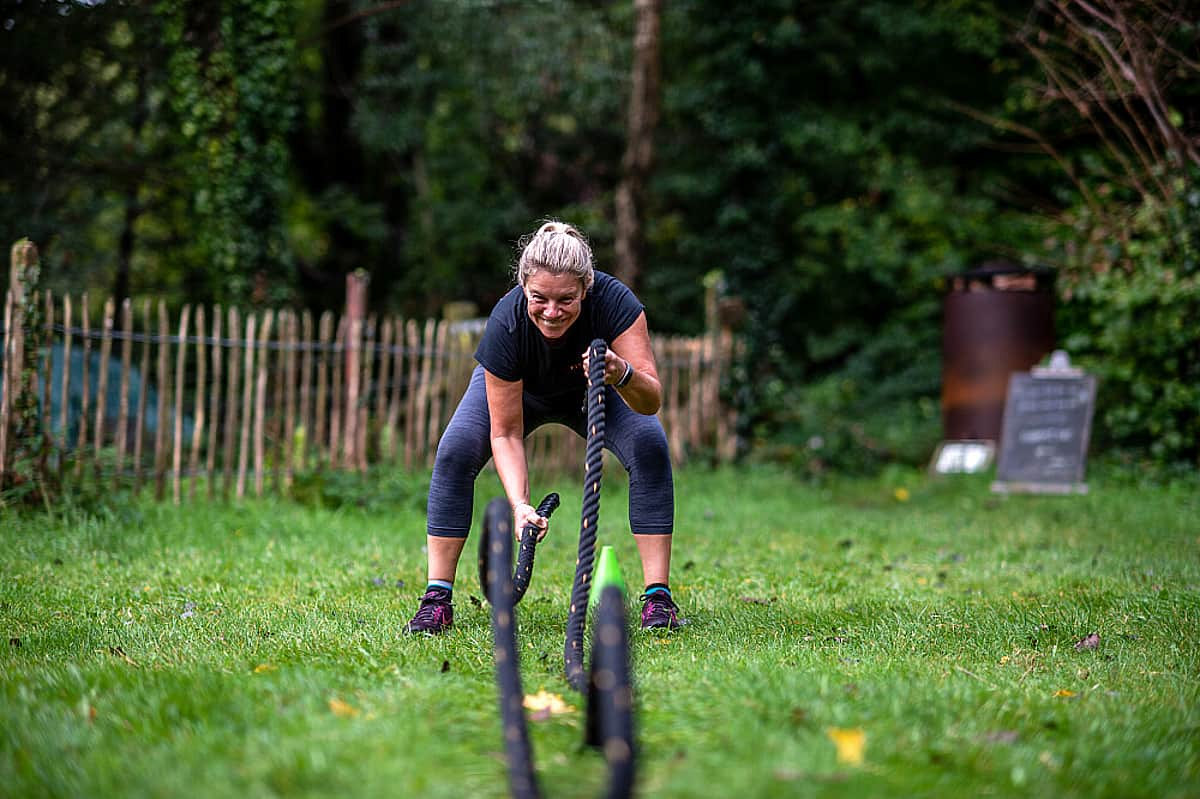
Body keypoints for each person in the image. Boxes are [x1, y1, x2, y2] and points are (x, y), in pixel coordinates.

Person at [404, 220, 684, 634]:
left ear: (586, 288)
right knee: (455, 451)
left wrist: (620, 372)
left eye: (566, 299)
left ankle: (658, 598)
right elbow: (505, 433)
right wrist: (520, 506)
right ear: (523, 288)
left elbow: (650, 399)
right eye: (539, 298)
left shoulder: (615, 304)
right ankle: (436, 600)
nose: (551, 312)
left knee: (650, 446)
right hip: (524, 393)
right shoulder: (508, 322)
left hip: (598, 389)